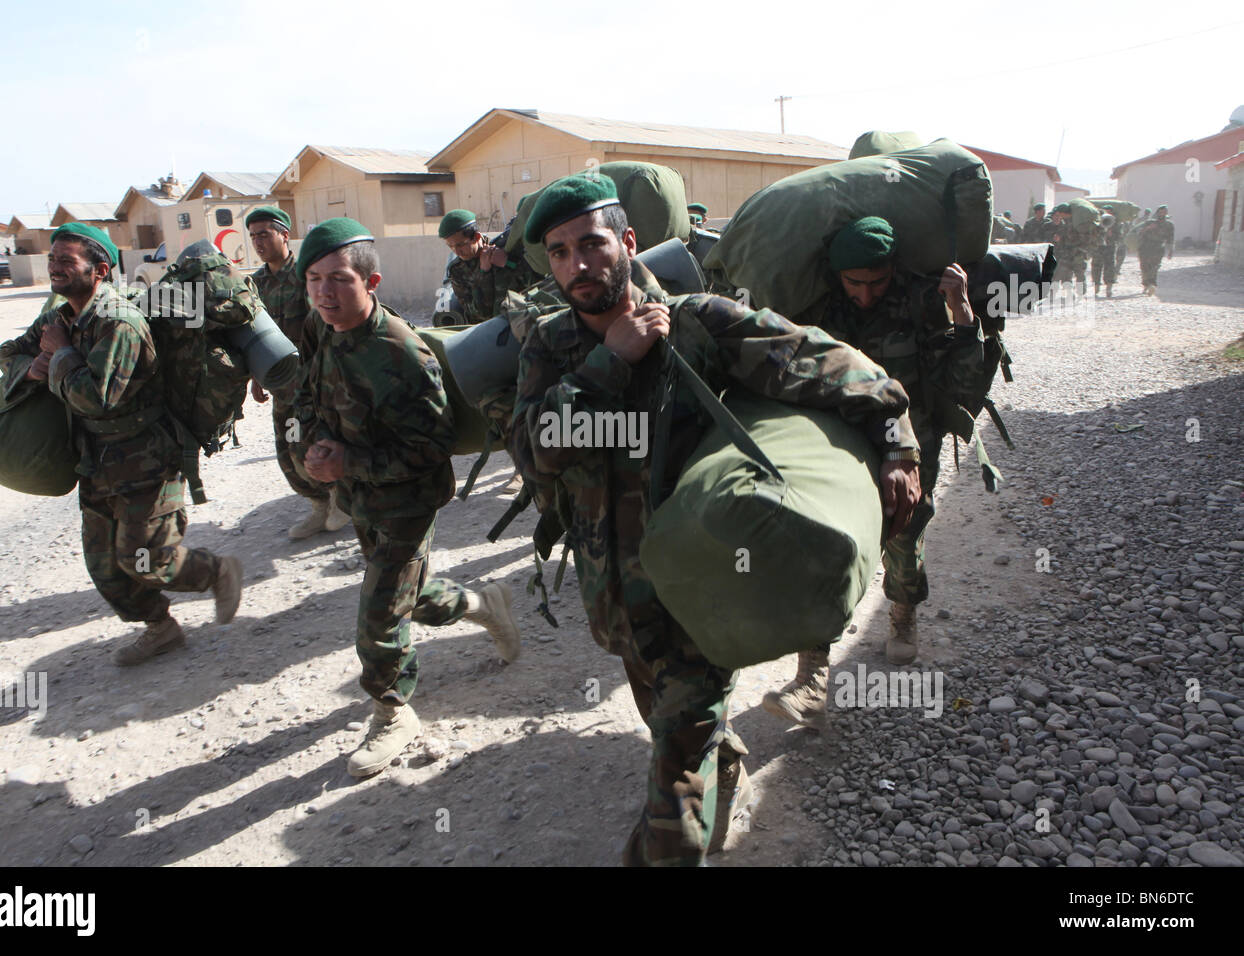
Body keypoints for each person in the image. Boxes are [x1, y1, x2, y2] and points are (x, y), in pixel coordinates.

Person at [509, 175, 922, 865]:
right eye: (559, 252)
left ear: (627, 243)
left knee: (669, 799)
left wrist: (897, 445)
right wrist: (612, 361)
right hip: (616, 604)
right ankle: (720, 759)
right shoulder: (550, 348)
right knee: (674, 729)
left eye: (591, 244)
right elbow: (532, 452)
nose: (577, 264)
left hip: (700, 596)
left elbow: (831, 365)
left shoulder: (700, 322)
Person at [288, 217, 522, 780]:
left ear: (371, 282)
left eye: (339, 278)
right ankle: (481, 605)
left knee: (378, 614)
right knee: (409, 597)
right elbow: (311, 396)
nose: (324, 291)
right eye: (315, 279)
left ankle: (392, 711)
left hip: (408, 501)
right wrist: (316, 445)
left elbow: (434, 448)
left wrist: (352, 462)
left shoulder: (402, 353)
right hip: (359, 493)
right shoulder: (322, 330)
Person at [763, 216, 985, 727]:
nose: (864, 296)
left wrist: (962, 314)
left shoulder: (923, 303)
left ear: (893, 272)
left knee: (903, 537)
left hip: (909, 440)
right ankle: (814, 675)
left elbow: (962, 383)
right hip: (840, 439)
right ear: (836, 275)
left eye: (877, 283)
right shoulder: (817, 308)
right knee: (824, 541)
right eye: (853, 283)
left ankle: (903, 611)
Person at [0, 223, 243, 665]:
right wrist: (33, 367)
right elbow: (8, 353)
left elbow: (99, 398)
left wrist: (60, 357)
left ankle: (218, 571)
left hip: (144, 457)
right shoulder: (58, 319)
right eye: (52, 259)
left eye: (66, 261)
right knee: (105, 566)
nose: (54, 267)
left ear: (100, 270)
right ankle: (161, 627)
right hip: (95, 458)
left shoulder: (119, 322)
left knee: (148, 559)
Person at [244, 206, 348, 539]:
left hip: (314, 383)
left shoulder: (307, 276)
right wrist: (256, 377)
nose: (258, 242)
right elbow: (252, 335)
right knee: (288, 450)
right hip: (281, 387)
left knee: (319, 442)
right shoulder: (256, 283)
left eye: (265, 234)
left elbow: (329, 325)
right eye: (254, 236)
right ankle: (319, 504)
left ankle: (340, 498)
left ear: (284, 235)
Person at [439, 209, 539, 324]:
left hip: (520, 324)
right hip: (486, 332)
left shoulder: (506, 249)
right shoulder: (458, 270)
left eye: (460, 244)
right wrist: (483, 272)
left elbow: (537, 284)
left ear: (476, 237)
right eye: (450, 246)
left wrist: (509, 262)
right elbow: (479, 314)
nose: (457, 251)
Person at [1137, 204, 1175, 294]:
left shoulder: (1169, 225)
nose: (1163, 213)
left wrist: (1170, 251)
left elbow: (1171, 238)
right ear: (1157, 212)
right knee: (1144, 267)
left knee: (1155, 267)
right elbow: (1139, 233)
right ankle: (1146, 284)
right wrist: (1148, 228)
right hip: (1145, 247)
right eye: (1161, 212)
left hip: (1158, 248)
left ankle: (1152, 285)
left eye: (1165, 212)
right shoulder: (1149, 222)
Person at [1090, 213, 1118, 297]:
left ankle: (1109, 288)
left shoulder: (1115, 227)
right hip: (1098, 249)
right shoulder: (1095, 226)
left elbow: (1119, 238)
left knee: (1110, 268)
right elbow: (1091, 237)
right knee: (1096, 267)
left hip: (1110, 249)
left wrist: (1112, 236)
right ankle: (1096, 287)